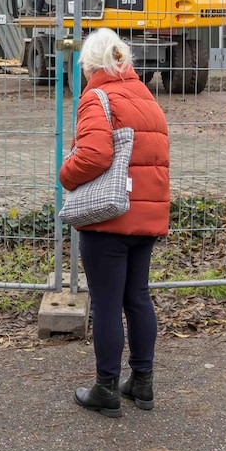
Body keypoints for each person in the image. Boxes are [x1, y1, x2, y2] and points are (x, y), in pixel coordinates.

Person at [59, 28, 170, 418]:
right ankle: (142, 382)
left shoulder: (97, 97)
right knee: (137, 297)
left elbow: (92, 155)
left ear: (90, 65)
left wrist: (65, 175)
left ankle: (105, 387)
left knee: (106, 304)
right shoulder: (147, 98)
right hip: (146, 216)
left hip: (109, 217)